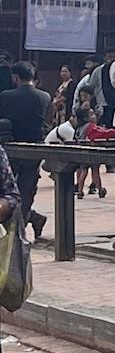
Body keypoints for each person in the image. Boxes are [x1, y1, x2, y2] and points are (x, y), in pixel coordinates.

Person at [0, 61, 51, 238]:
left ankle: (17, 231)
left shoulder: (6, 96)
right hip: (35, 149)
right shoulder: (45, 96)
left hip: (11, 148)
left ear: (15, 77)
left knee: (7, 192)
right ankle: (26, 225)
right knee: (27, 190)